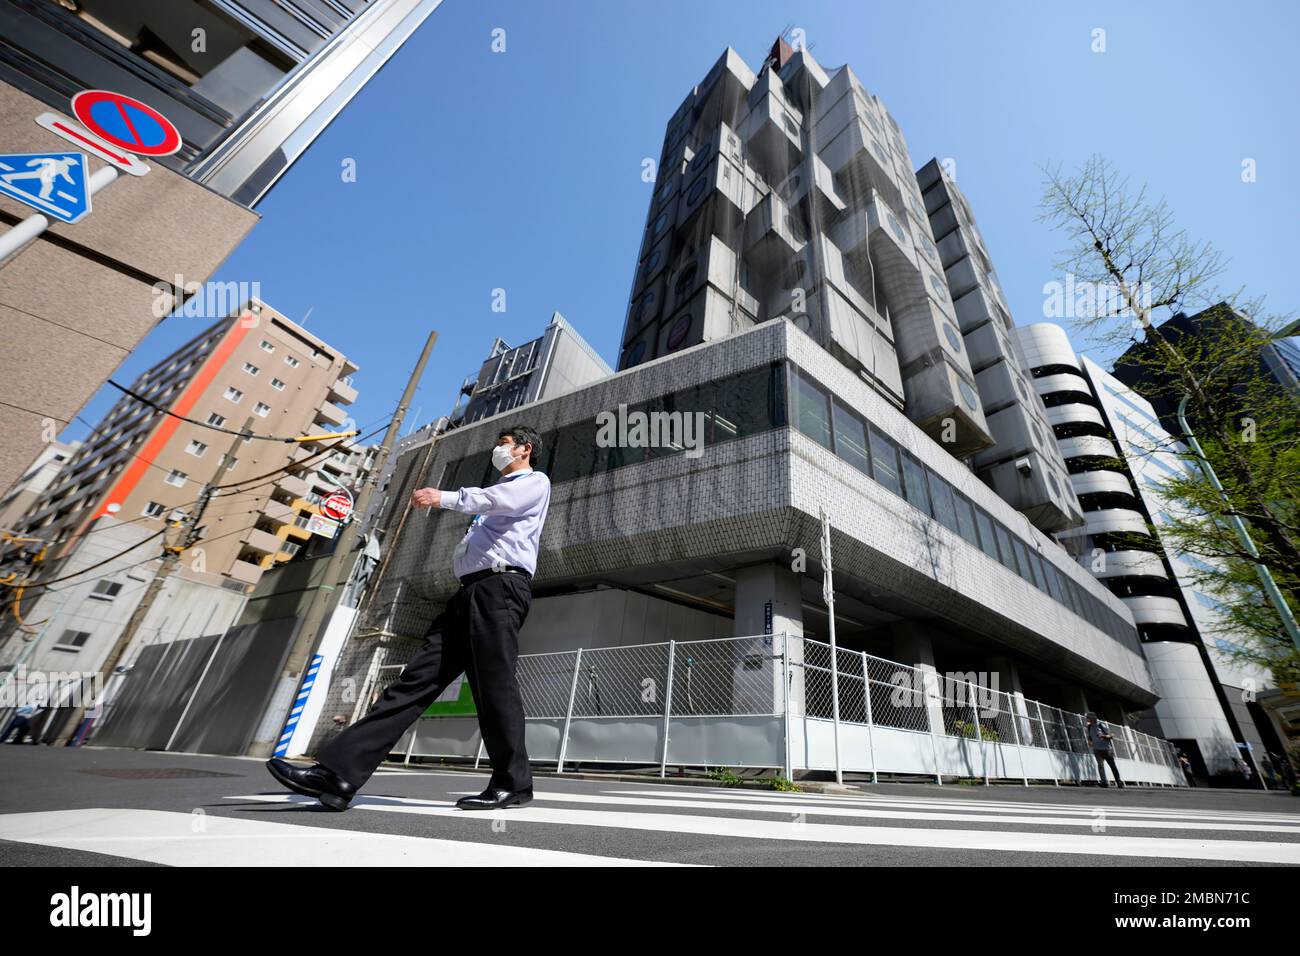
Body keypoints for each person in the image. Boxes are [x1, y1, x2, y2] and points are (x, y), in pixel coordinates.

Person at [267, 425, 551, 811]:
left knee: (495, 687)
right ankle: (340, 773)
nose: (495, 450)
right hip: (470, 594)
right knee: (415, 681)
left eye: (502, 444)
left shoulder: (533, 481)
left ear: (524, 449)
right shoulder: (498, 495)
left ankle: (513, 784)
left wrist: (443, 496)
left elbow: (496, 501)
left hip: (500, 589)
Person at [1085, 712, 1124, 788]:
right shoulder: (1089, 727)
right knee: (1100, 766)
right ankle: (1104, 782)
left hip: (1107, 749)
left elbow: (1112, 735)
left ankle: (1118, 781)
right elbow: (1090, 736)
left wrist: (1104, 736)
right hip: (1097, 750)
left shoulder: (1101, 725)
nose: (1087, 719)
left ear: (1093, 718)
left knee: (1112, 765)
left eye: (1088, 718)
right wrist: (1089, 741)